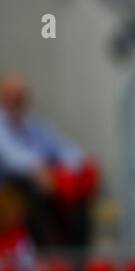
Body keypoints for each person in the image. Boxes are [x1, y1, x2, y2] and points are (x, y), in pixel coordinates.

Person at [0, 73, 99, 248]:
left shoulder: (31, 121)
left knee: (78, 205)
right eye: (13, 96)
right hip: (12, 188)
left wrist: (79, 163)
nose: (18, 101)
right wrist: (39, 170)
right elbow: (11, 158)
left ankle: (75, 263)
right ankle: (45, 255)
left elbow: (62, 146)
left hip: (44, 182)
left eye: (21, 96)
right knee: (37, 197)